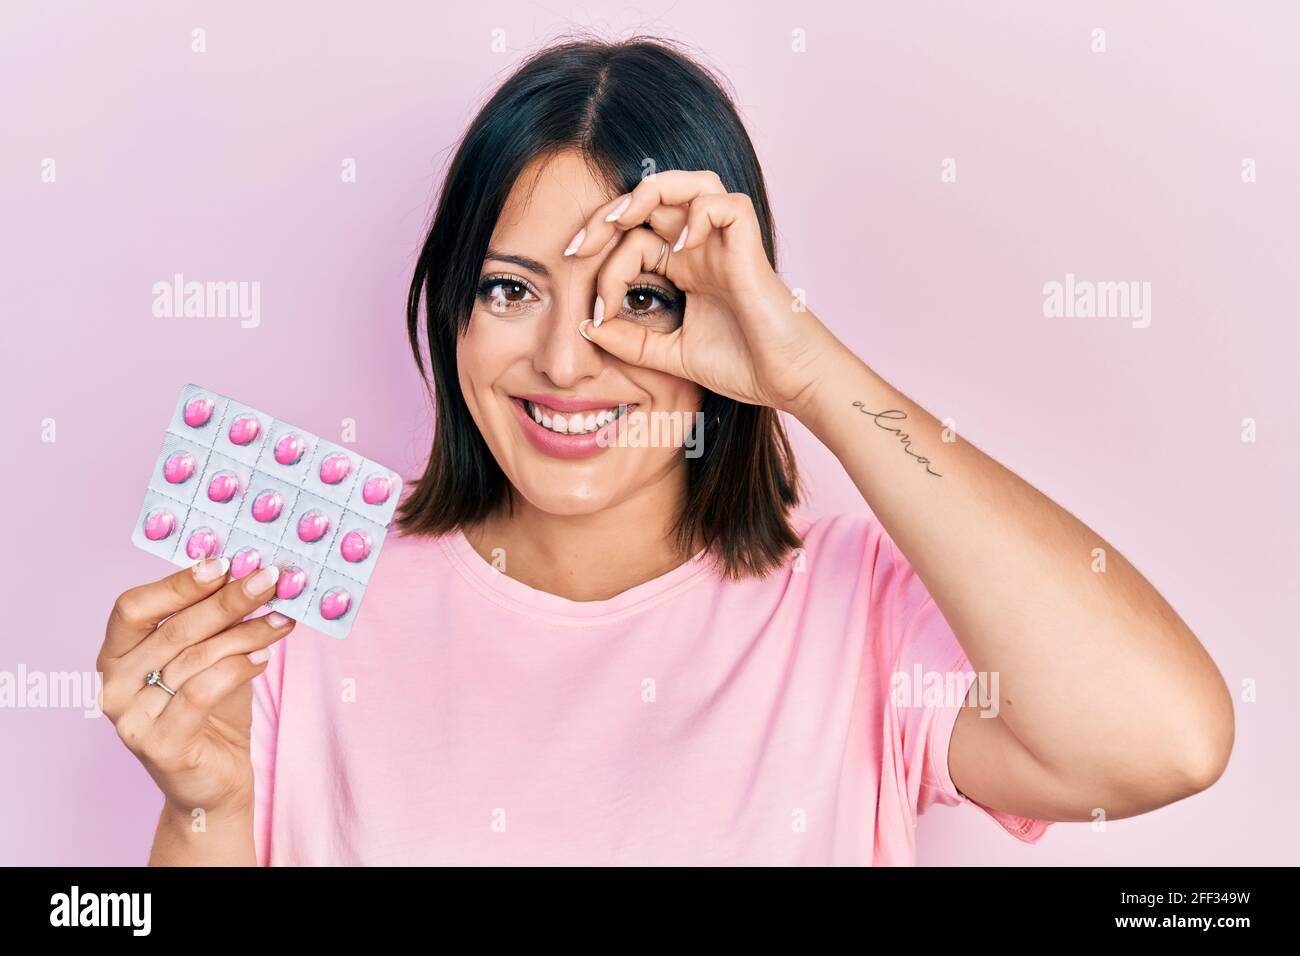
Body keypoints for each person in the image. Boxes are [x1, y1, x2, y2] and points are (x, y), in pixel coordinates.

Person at [98, 36, 1233, 866]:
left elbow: (1164, 739)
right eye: (509, 288)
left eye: (637, 298)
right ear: (450, 307)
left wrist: (809, 373)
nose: (564, 360)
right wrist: (205, 805)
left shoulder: (851, 613)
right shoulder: (294, 604)